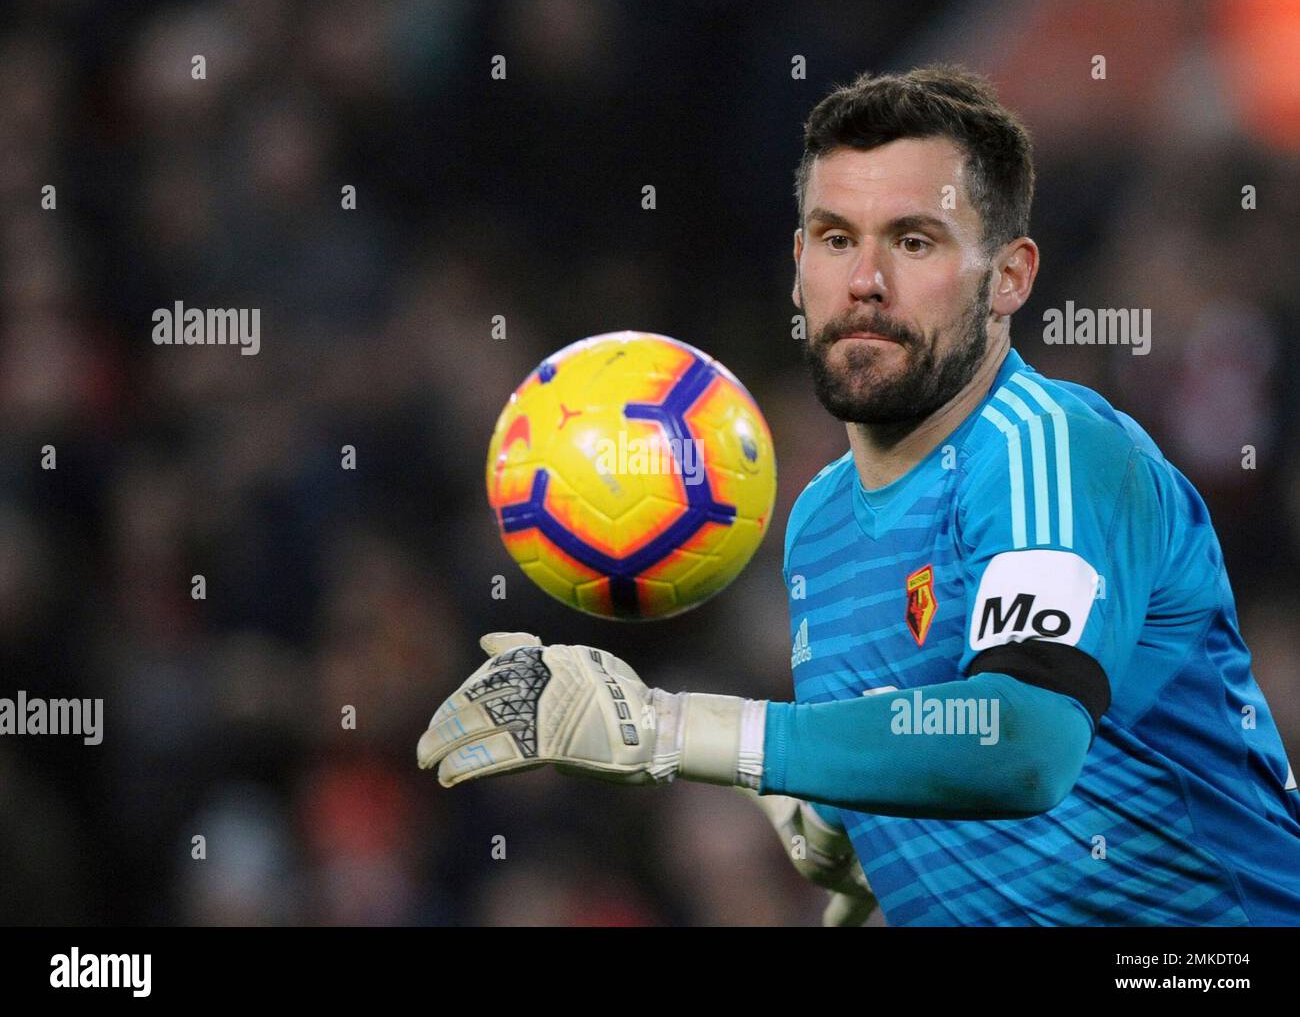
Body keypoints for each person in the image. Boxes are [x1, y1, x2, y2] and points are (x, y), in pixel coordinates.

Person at [417, 65, 1300, 926]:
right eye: (836, 238)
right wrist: (861, 832)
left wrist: (667, 729)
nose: (865, 280)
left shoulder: (1049, 451)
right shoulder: (819, 524)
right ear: (799, 266)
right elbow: (946, 769)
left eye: (914, 241)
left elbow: (1023, 741)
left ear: (1010, 278)